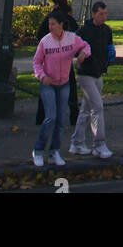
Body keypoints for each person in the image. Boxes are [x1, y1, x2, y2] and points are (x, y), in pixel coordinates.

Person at [32, 12, 90, 167]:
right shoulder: (45, 42)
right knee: (50, 117)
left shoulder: (71, 38)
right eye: (49, 24)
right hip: (48, 83)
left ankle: (54, 151)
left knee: (60, 119)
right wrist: (41, 76)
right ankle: (38, 150)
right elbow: (37, 62)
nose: (50, 27)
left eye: (53, 24)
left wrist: (83, 53)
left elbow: (85, 45)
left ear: (61, 24)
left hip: (64, 83)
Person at [69, 1, 115, 159]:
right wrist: (79, 55)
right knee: (97, 107)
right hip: (86, 74)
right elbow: (73, 48)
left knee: (86, 110)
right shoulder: (84, 31)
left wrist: (110, 55)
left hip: (98, 73)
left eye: (105, 14)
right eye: (101, 14)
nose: (104, 17)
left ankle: (77, 142)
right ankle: (99, 144)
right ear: (94, 13)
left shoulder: (107, 30)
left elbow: (109, 47)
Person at [35, 0, 80, 128]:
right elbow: (77, 35)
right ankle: (74, 116)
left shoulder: (50, 19)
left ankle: (41, 116)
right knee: (70, 88)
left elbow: (39, 34)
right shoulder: (69, 19)